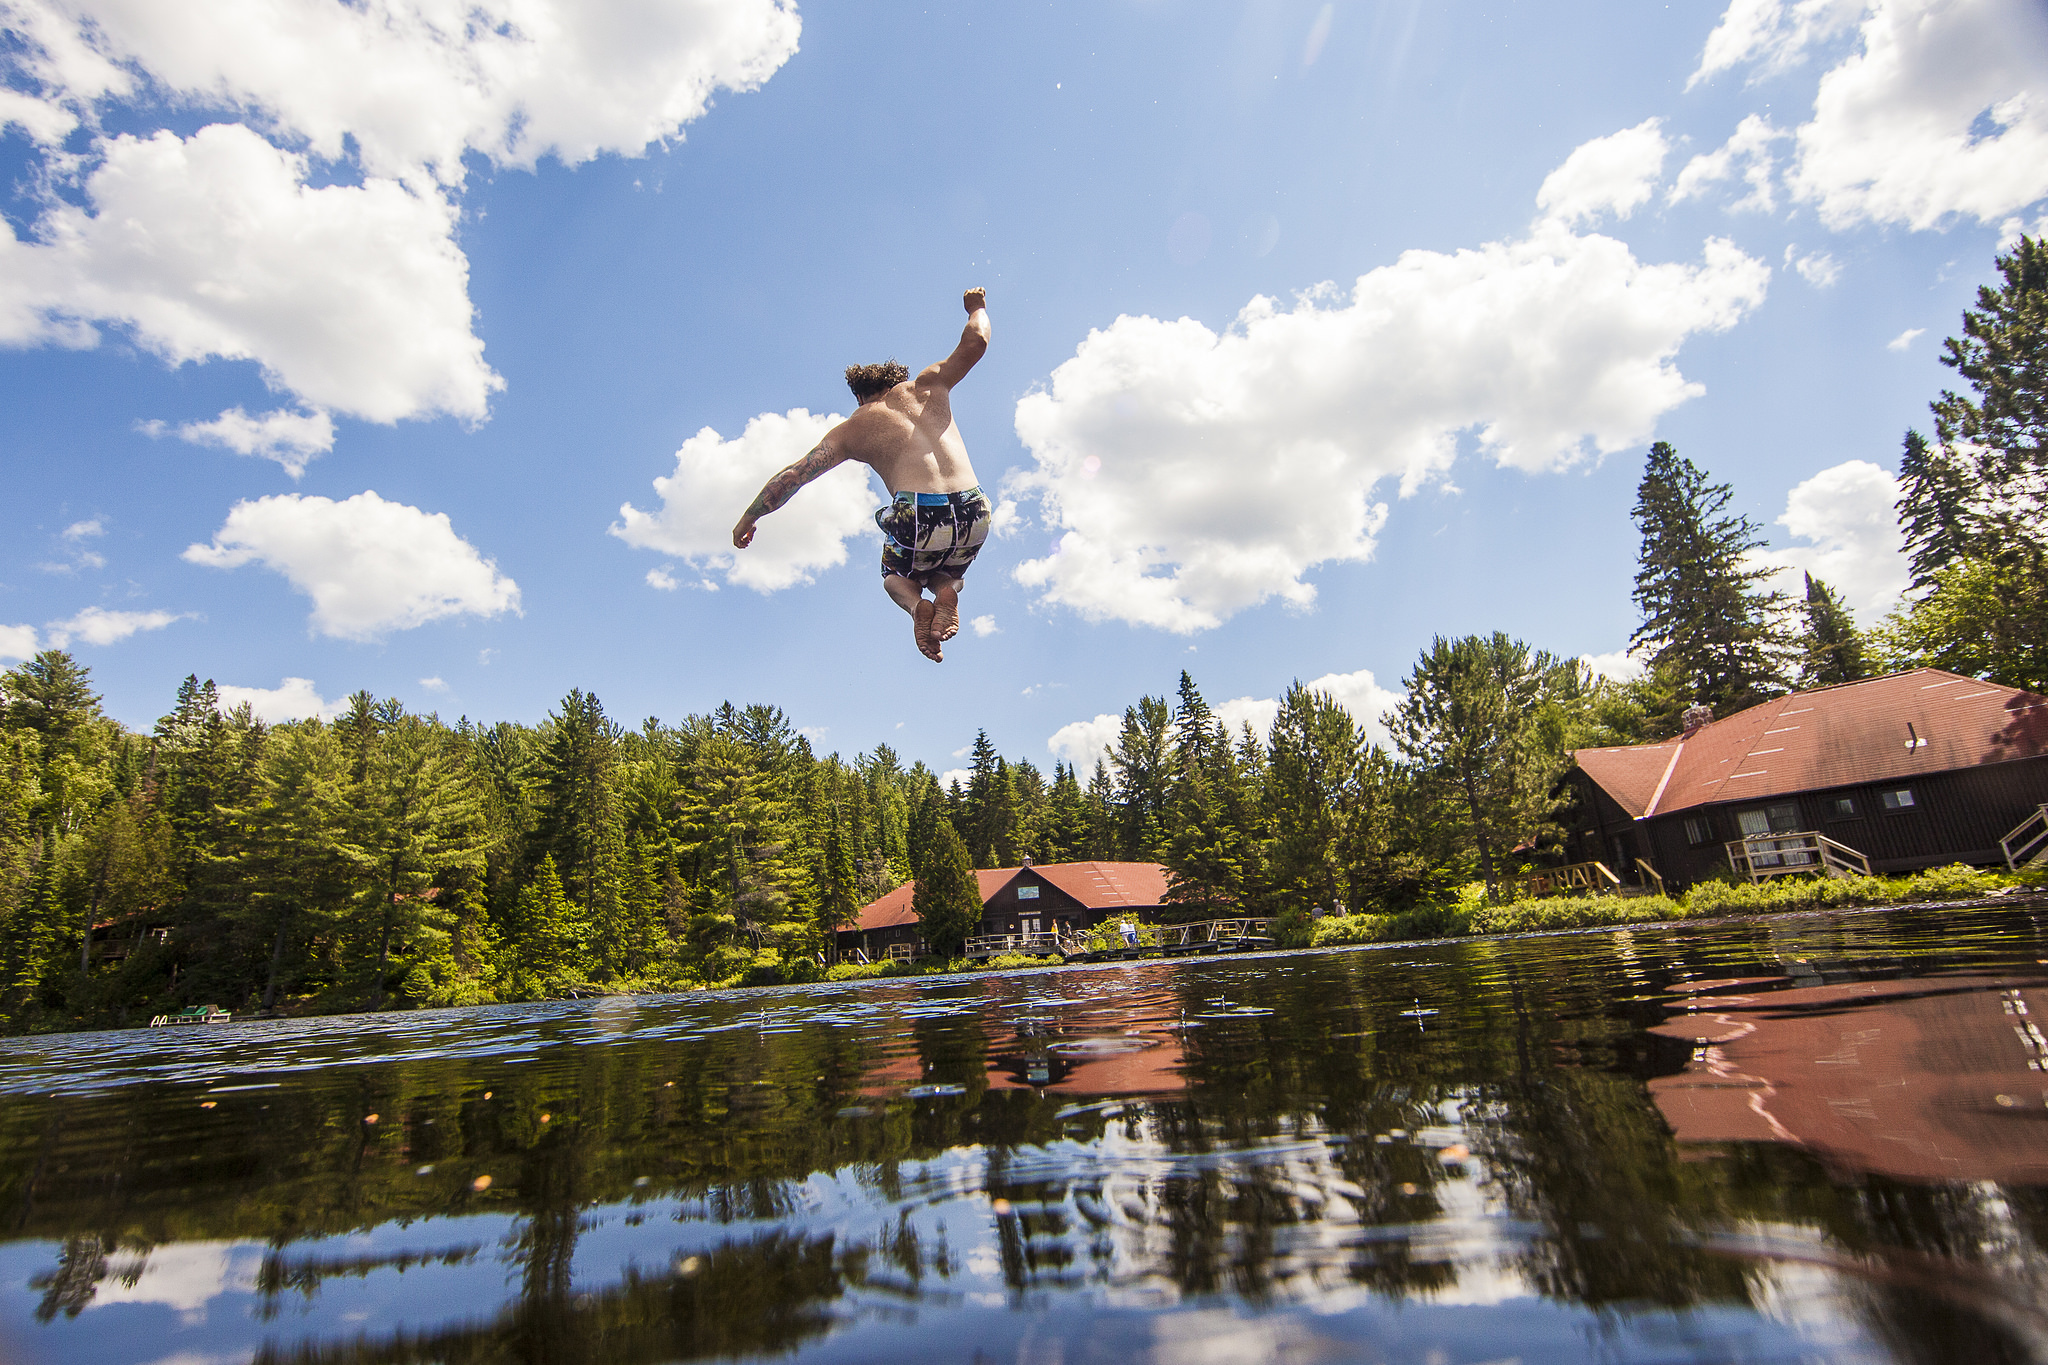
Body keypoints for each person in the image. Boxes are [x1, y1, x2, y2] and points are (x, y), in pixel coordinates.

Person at [732, 288, 994, 662]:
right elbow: (976, 341)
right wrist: (976, 307)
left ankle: (917, 606)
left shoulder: (852, 428)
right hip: (974, 508)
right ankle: (947, 590)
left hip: (917, 513)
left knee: (895, 576)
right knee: (944, 564)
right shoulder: (928, 385)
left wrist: (750, 515)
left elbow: (794, 476)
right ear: (895, 380)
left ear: (859, 396)